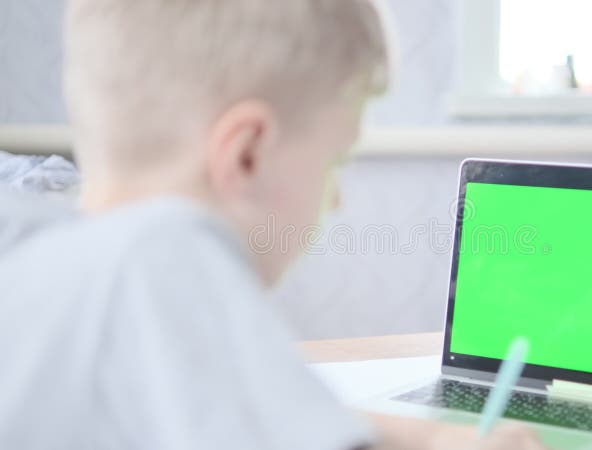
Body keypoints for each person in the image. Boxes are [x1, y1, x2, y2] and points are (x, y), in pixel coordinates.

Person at [0, 1, 546, 449]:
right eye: (334, 161)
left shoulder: (30, 235)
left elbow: (258, 415)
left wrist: (430, 439)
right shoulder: (163, 254)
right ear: (246, 154)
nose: (335, 199)